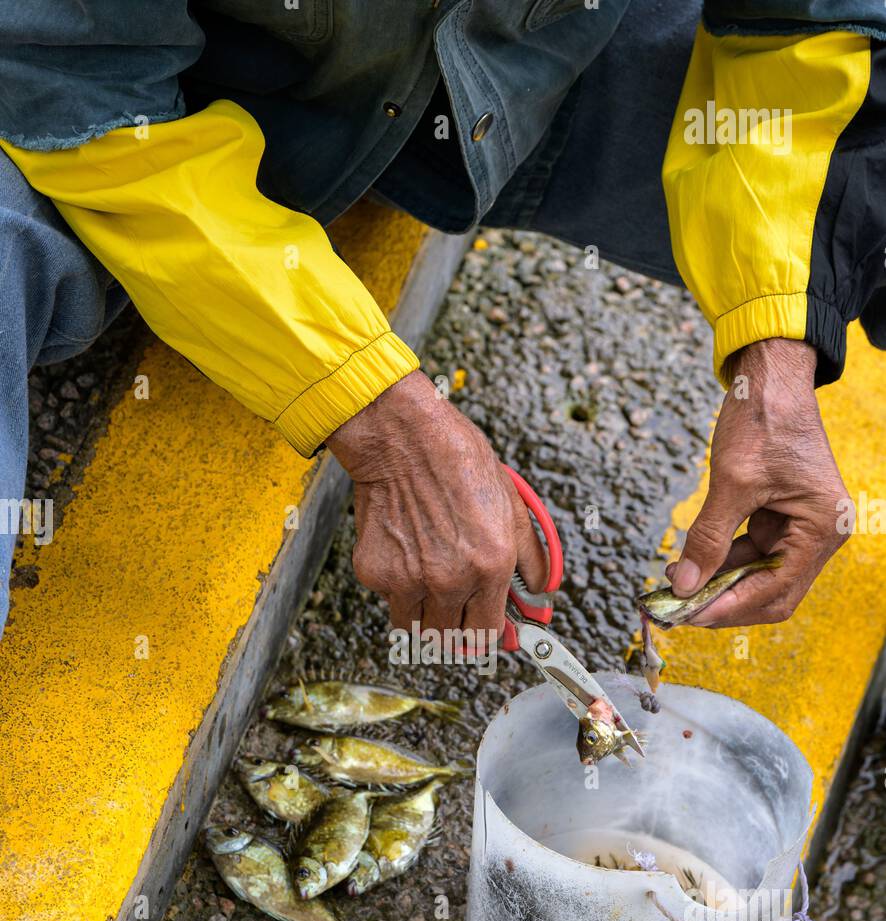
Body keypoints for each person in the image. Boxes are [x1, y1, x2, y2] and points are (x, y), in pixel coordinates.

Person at [1, 1, 880, 642]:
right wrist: (385, 420)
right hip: (141, 105)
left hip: (506, 80)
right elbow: (67, 76)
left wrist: (779, 350)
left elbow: (801, 22)